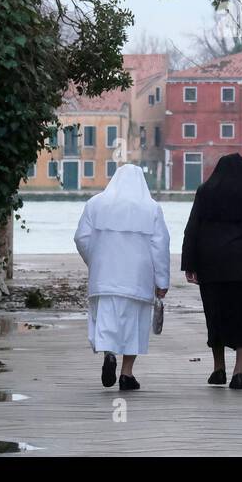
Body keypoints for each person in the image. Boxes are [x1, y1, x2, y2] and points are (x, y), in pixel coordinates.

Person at [181, 153, 242, 389]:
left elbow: (192, 229)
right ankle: (239, 372)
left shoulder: (205, 192)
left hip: (213, 268)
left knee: (216, 316)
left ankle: (218, 368)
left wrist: (189, 264)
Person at [74, 164, 170, 391]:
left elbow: (81, 238)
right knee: (134, 325)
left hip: (104, 277)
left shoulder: (95, 204)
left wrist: (95, 261)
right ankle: (127, 374)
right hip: (137, 278)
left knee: (106, 320)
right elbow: (160, 247)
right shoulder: (151, 208)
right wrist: (162, 281)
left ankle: (109, 354)